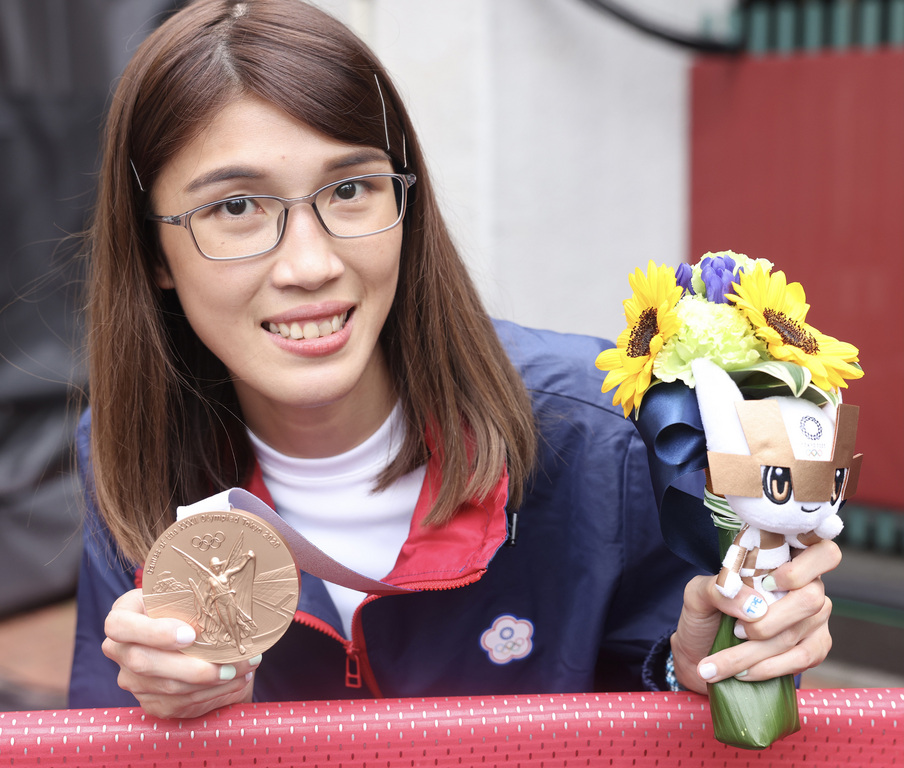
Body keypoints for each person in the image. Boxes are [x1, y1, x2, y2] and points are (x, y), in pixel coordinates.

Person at [69, 0, 839, 720]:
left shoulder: (605, 435)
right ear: (153, 250)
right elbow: (98, 736)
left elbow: (686, 702)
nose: (309, 264)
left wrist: (699, 676)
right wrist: (164, 722)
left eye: (351, 190)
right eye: (235, 208)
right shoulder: (129, 451)